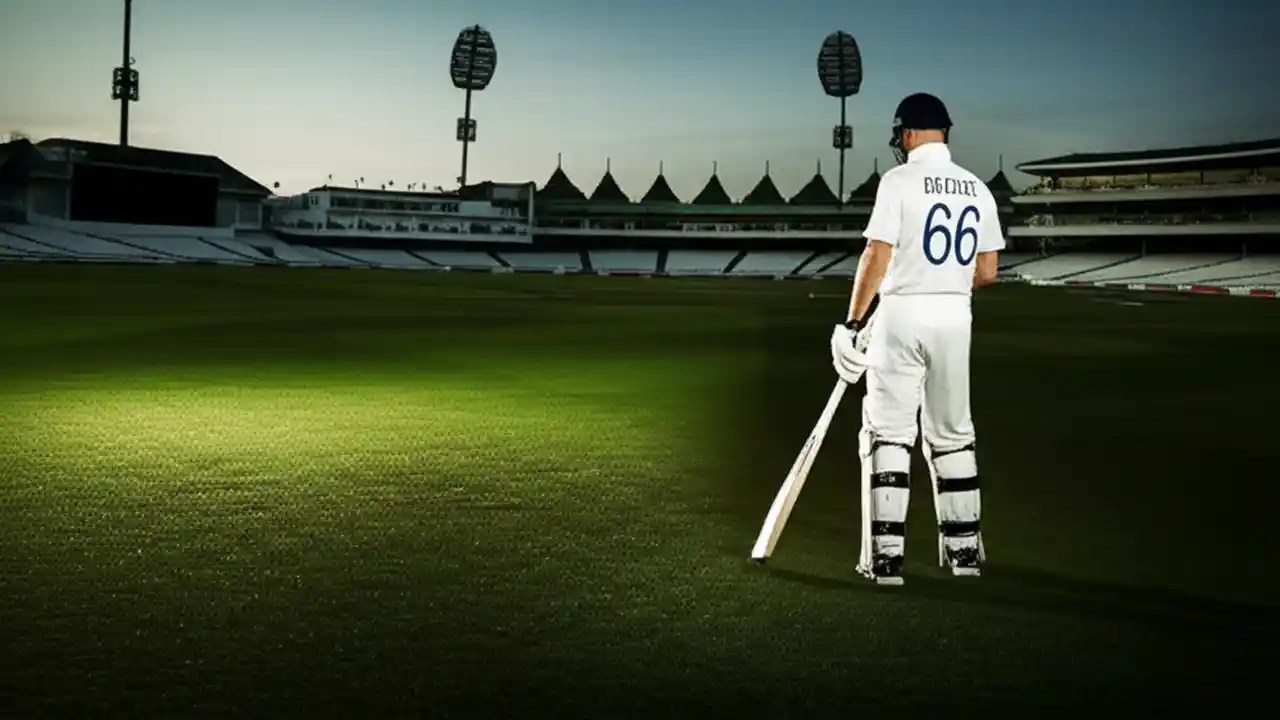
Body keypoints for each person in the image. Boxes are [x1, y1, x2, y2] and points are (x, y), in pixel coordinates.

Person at [829, 92, 1004, 585]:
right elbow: (988, 272)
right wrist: (943, 283)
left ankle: (886, 561)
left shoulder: (898, 181)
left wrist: (853, 323)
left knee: (889, 432)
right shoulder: (978, 188)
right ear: (944, 133)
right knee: (953, 433)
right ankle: (964, 555)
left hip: (901, 315)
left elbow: (876, 255)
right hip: (955, 318)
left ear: (906, 134)